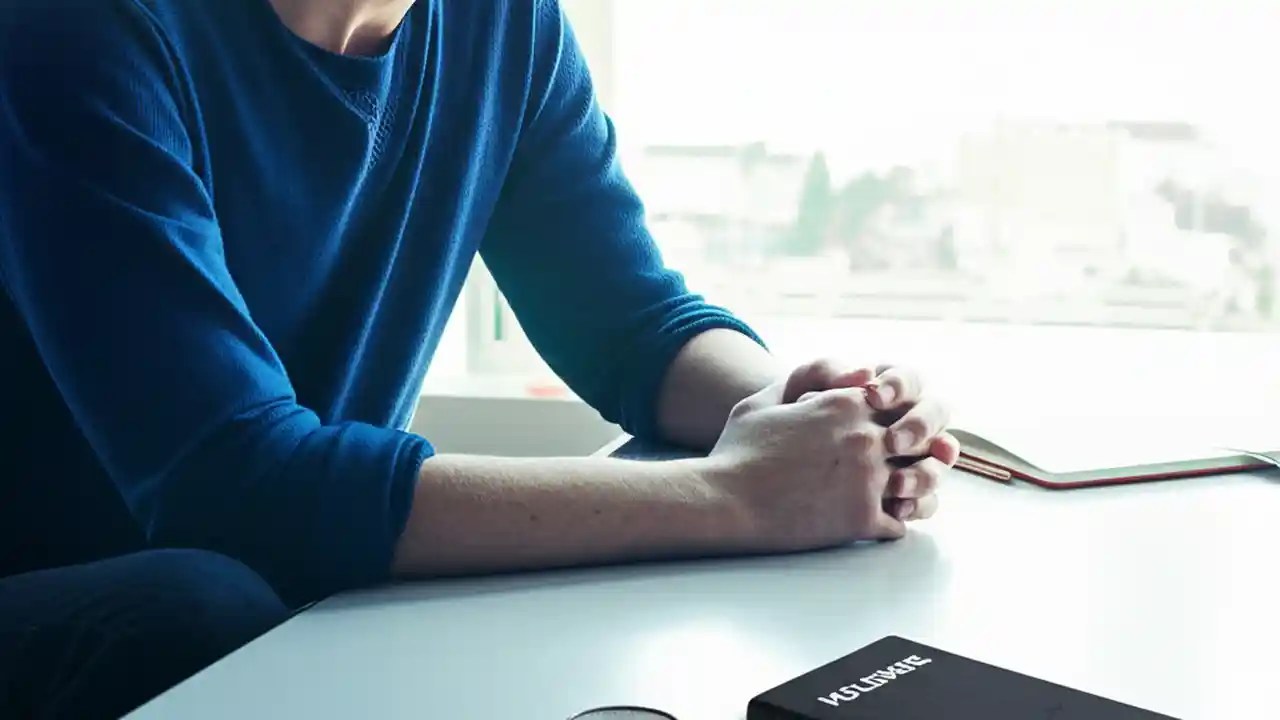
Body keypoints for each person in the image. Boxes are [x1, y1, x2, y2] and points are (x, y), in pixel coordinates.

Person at [0, 0, 958, 716]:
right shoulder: (80, 26)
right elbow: (235, 485)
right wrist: (739, 496)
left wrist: (807, 413)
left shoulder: (502, 23)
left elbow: (633, 322)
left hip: (267, 563)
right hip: (73, 587)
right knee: (198, 606)